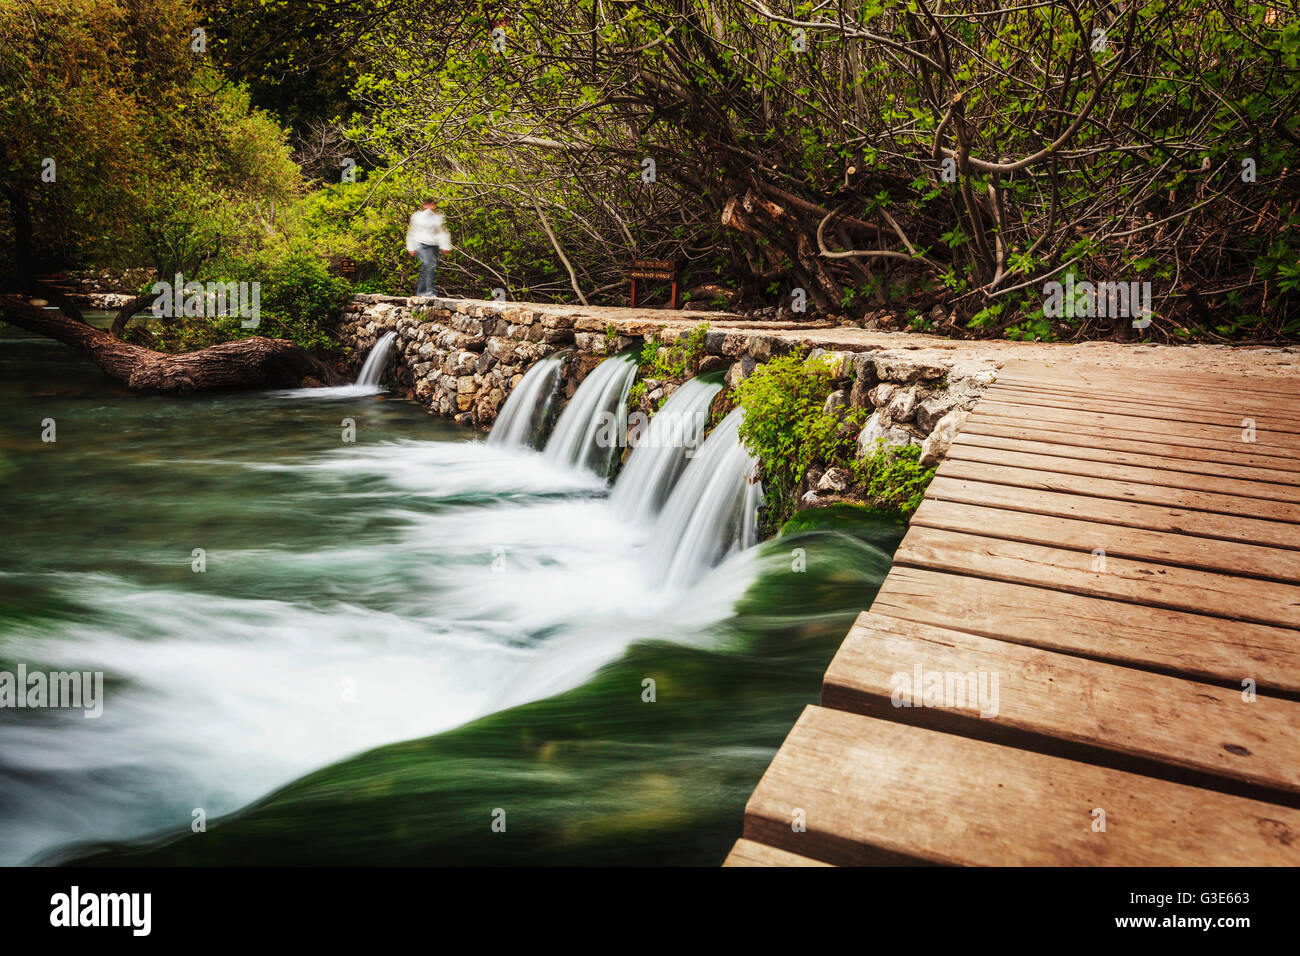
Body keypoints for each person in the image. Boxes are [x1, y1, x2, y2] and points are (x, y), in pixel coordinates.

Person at [405, 200, 453, 297]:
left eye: (432, 205)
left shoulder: (437, 218)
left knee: (428, 267)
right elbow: (412, 232)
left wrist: (445, 246)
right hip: (421, 244)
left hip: (433, 245)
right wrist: (411, 247)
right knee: (428, 264)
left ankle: (422, 292)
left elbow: (442, 232)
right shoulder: (418, 217)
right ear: (424, 205)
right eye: (428, 205)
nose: (430, 207)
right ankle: (428, 292)